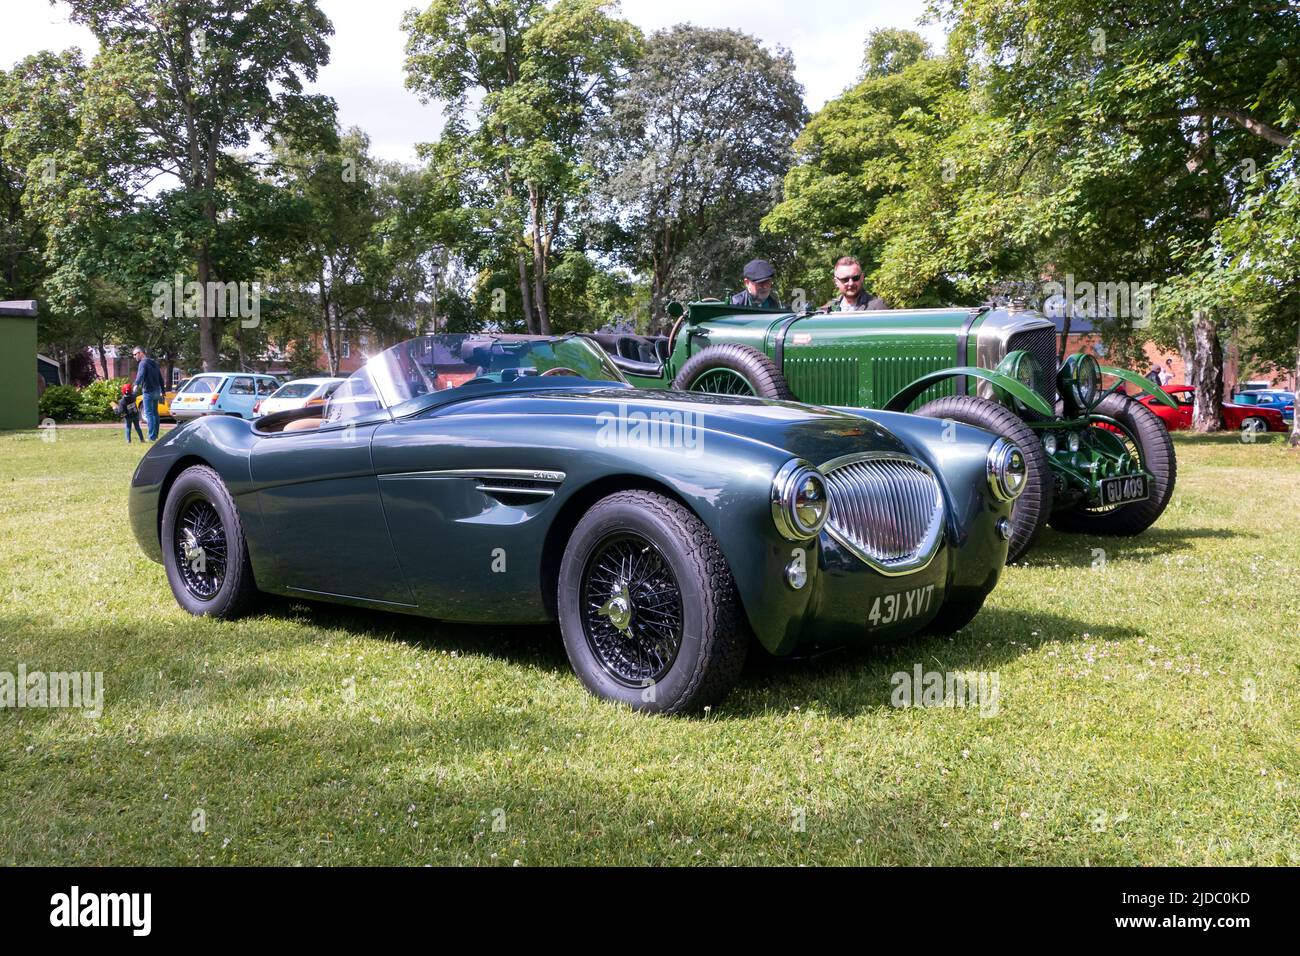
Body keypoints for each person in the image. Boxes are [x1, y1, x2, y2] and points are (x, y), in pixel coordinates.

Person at [820, 256, 891, 311]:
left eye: (855, 278)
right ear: (836, 282)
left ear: (862, 278)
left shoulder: (877, 307)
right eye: (845, 279)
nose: (851, 283)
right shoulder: (827, 310)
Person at [132, 346, 164, 441]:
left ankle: (151, 436)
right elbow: (160, 377)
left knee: (149, 414)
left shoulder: (143, 363)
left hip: (148, 392)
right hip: (157, 391)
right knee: (155, 413)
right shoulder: (154, 362)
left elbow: (140, 375)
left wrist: (136, 384)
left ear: (141, 353)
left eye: (135, 354)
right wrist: (163, 391)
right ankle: (155, 435)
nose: (134, 356)